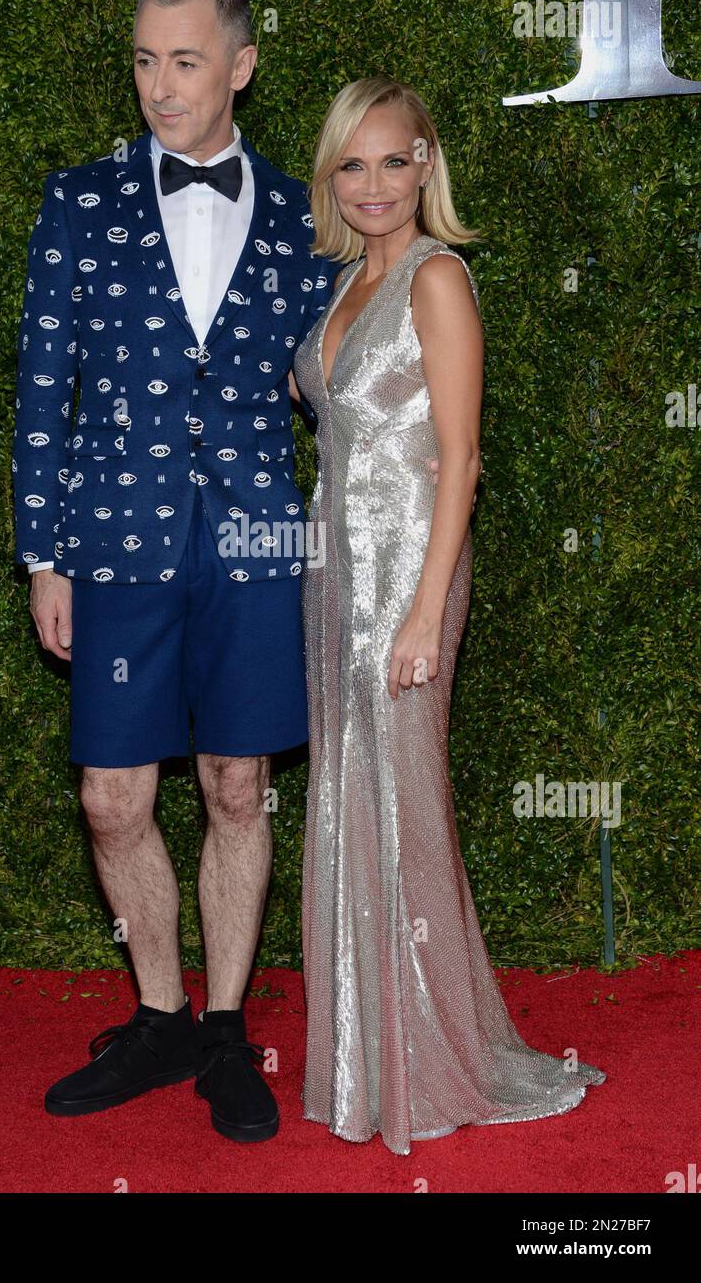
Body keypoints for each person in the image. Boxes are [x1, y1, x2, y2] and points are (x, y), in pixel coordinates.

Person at [11, 0, 343, 1143]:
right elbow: (44, 386)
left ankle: (223, 1028)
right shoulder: (77, 200)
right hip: (113, 541)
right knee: (112, 796)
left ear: (241, 68)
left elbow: (346, 386)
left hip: (255, 538)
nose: (160, 86)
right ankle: (154, 1016)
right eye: (146, 59)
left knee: (238, 786)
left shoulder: (316, 213)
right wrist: (41, 552)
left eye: (186, 61)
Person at [291, 76, 607, 1155]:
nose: (374, 183)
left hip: (410, 581)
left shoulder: (437, 279)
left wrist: (427, 612)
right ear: (333, 175)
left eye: (394, 159)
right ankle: (367, 1064)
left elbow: (462, 458)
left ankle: (434, 1063)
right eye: (353, 163)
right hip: (333, 579)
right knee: (346, 796)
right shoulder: (339, 285)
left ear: (426, 162)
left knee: (402, 801)